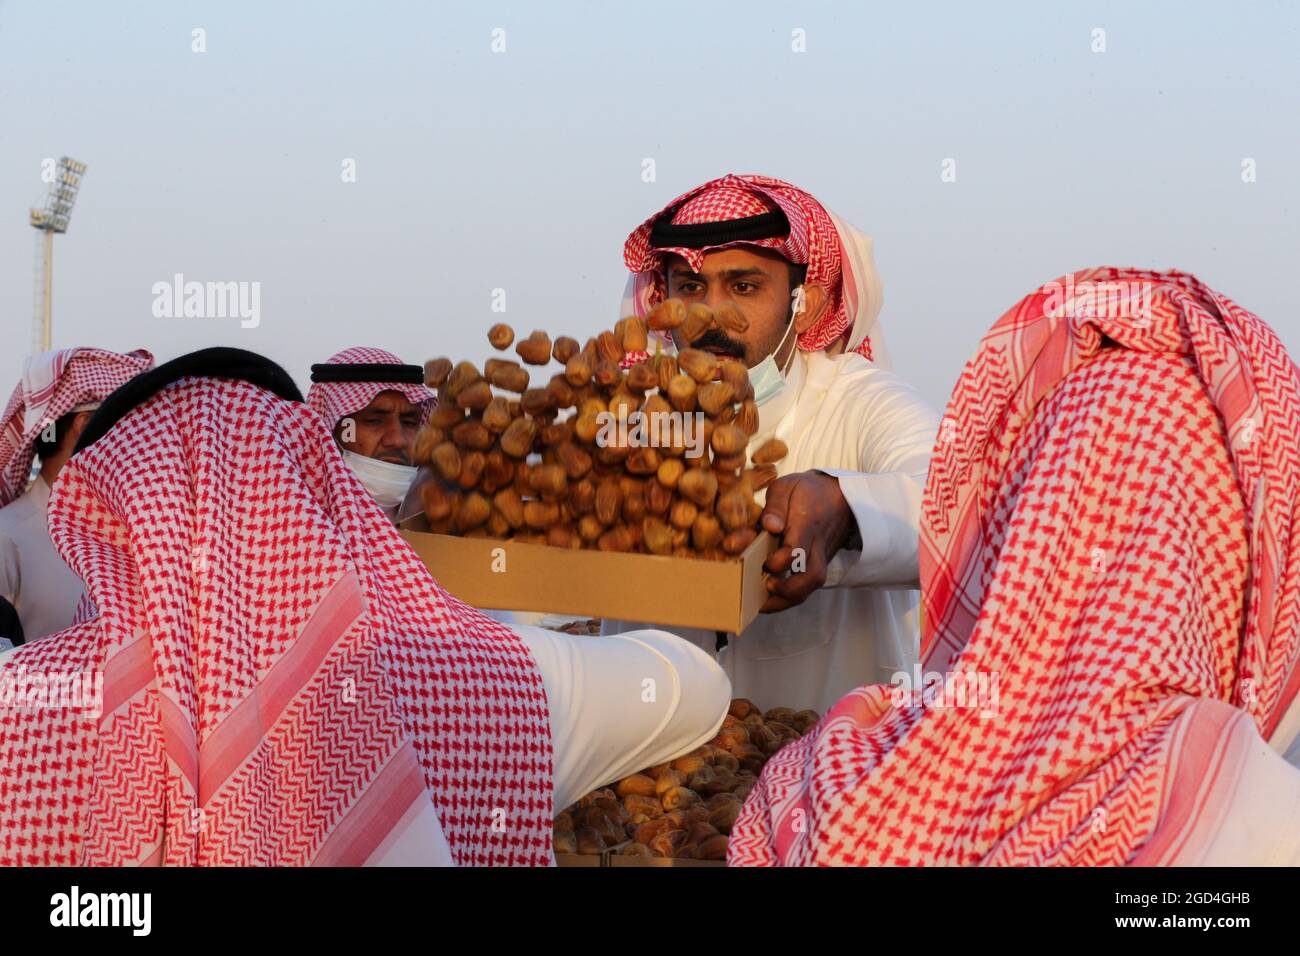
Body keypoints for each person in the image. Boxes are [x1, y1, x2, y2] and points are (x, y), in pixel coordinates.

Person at [0, 347, 729, 866]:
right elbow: (697, 684)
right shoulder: (480, 677)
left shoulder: (19, 701)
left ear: (110, 511)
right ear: (314, 477)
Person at [727, 268, 1300, 866]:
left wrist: (844, 505)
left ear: (1019, 516)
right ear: (1250, 551)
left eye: (741, 286)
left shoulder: (816, 777)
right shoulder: (1262, 817)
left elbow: (927, 485)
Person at [606, 174, 940, 713]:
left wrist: (845, 509)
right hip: (653, 784)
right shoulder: (629, 423)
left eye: (744, 287)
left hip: (829, 780)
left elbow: (957, 496)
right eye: (690, 288)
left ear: (801, 304)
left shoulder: (858, 401)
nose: (711, 316)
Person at [0, 347, 153, 643]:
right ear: (84, 426)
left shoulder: (131, 538)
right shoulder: (8, 535)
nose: (139, 444)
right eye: (127, 428)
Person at [306, 346, 434, 522]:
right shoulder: (294, 521)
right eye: (374, 421)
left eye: (409, 423)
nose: (397, 440)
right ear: (329, 429)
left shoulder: (448, 519)